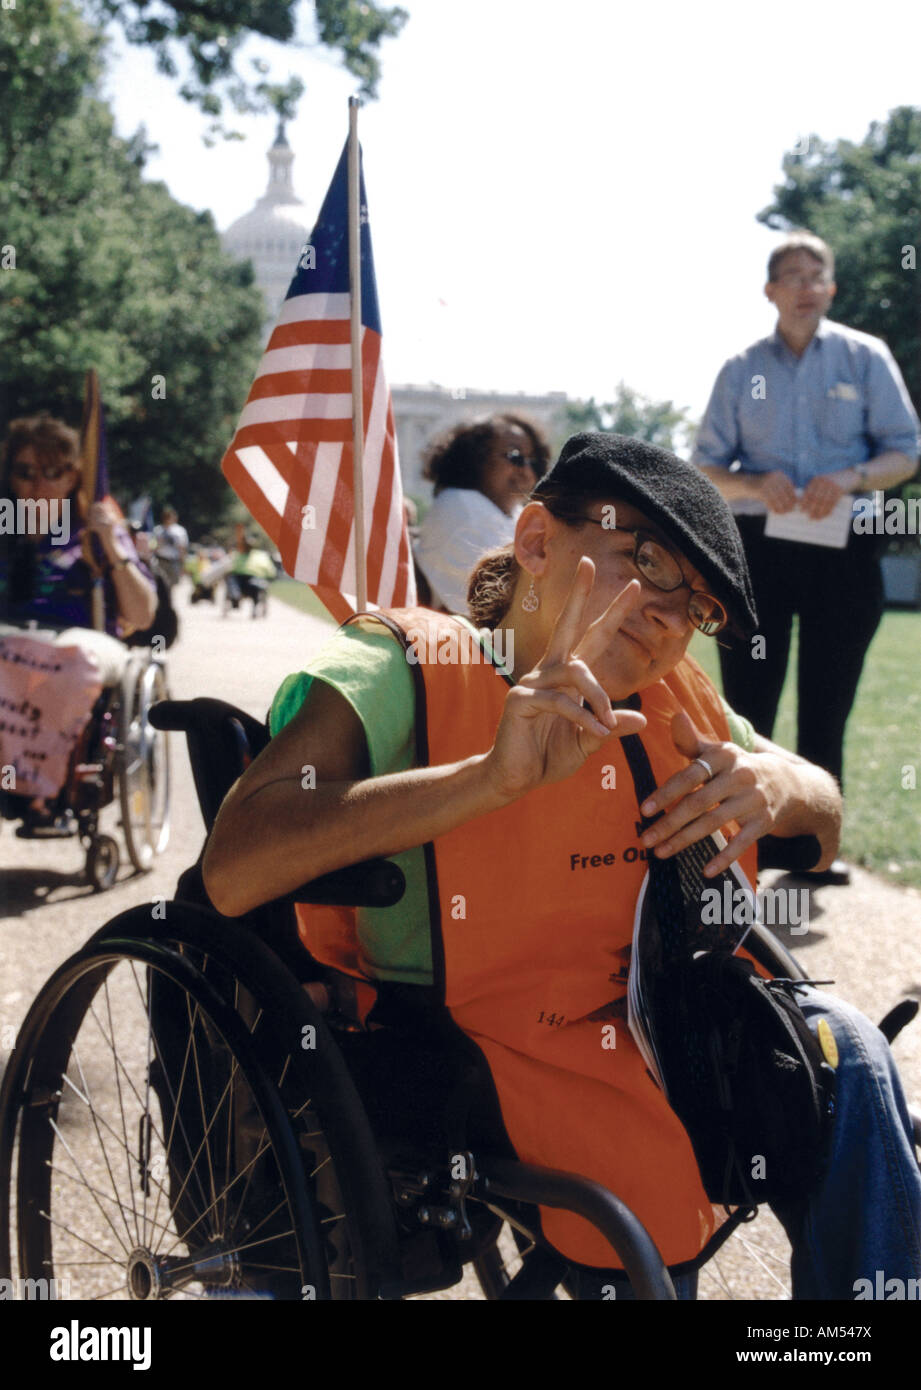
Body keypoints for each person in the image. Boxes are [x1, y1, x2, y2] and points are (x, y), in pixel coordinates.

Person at [203, 432, 920, 1299]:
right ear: (538, 542)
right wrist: (484, 781)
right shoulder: (405, 666)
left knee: (849, 1052)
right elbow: (234, 869)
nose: (667, 617)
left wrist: (778, 784)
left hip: (659, 1016)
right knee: (627, 1169)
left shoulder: (676, 698)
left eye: (696, 605)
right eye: (647, 561)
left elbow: (825, 816)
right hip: (457, 1033)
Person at [693, 231, 921, 885]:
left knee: (828, 702)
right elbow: (704, 465)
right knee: (747, 704)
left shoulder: (864, 357)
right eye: (788, 275)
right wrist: (749, 481)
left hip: (841, 553)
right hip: (758, 552)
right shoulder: (740, 369)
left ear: (830, 289)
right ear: (769, 290)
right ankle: (739, 844)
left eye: (813, 275)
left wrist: (849, 476)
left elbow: (905, 450)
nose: (802, 286)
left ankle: (814, 851)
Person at [0, 415, 157, 834]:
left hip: (83, 642)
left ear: (73, 477)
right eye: (25, 472)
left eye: (54, 472)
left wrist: (110, 543)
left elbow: (142, 615)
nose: (39, 485)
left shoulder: (93, 527)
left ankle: (44, 790)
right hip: (12, 639)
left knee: (64, 659)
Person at [414, 413, 550, 613]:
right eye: (516, 457)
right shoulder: (460, 506)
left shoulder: (512, 512)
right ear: (474, 459)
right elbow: (518, 600)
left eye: (534, 463)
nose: (527, 471)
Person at [153, 505, 189, 590]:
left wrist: (183, 564)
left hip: (173, 561)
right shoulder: (158, 530)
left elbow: (182, 548)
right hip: (160, 559)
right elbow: (153, 546)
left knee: (173, 584)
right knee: (160, 584)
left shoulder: (179, 531)